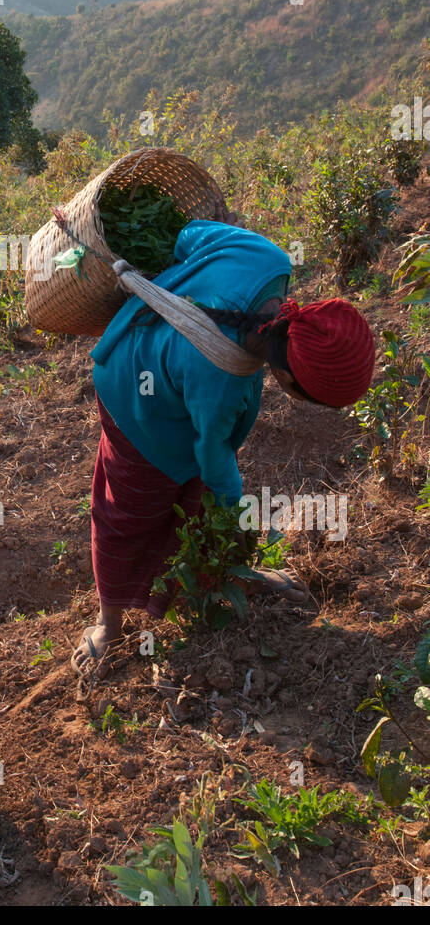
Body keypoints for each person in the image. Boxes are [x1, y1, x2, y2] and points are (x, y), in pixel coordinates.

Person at [71, 203, 376, 682]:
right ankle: (108, 622)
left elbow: (189, 236)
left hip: (166, 364)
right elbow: (215, 464)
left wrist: (186, 287)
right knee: (131, 510)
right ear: (287, 376)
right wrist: (236, 513)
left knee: (196, 496)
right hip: (131, 390)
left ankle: (229, 576)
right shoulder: (224, 379)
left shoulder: (270, 260)